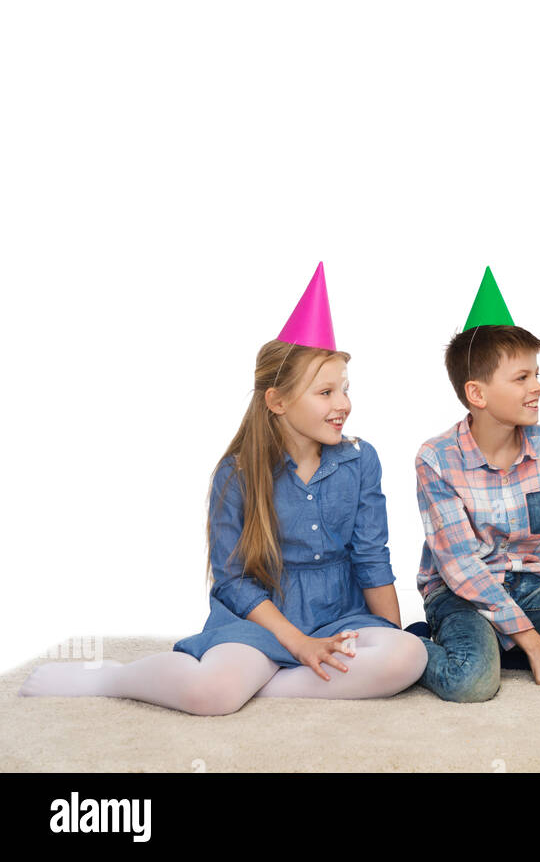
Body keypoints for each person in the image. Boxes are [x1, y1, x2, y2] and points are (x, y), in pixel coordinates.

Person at [19, 263, 427, 715]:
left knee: (408, 655)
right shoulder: (237, 474)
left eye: (345, 390)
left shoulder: (360, 459)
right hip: (261, 619)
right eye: (326, 392)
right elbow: (234, 581)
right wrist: (298, 644)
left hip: (339, 612)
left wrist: (390, 634)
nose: (343, 405)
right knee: (209, 695)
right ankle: (112, 676)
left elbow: (371, 556)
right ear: (277, 401)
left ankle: (264, 685)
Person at [407, 267, 540, 702]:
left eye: (537, 374)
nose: (538, 387)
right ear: (477, 393)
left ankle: (500, 644)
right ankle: (415, 646)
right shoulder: (436, 459)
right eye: (522, 378)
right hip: (462, 595)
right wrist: (537, 646)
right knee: (471, 684)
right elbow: (462, 569)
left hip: (532, 588)